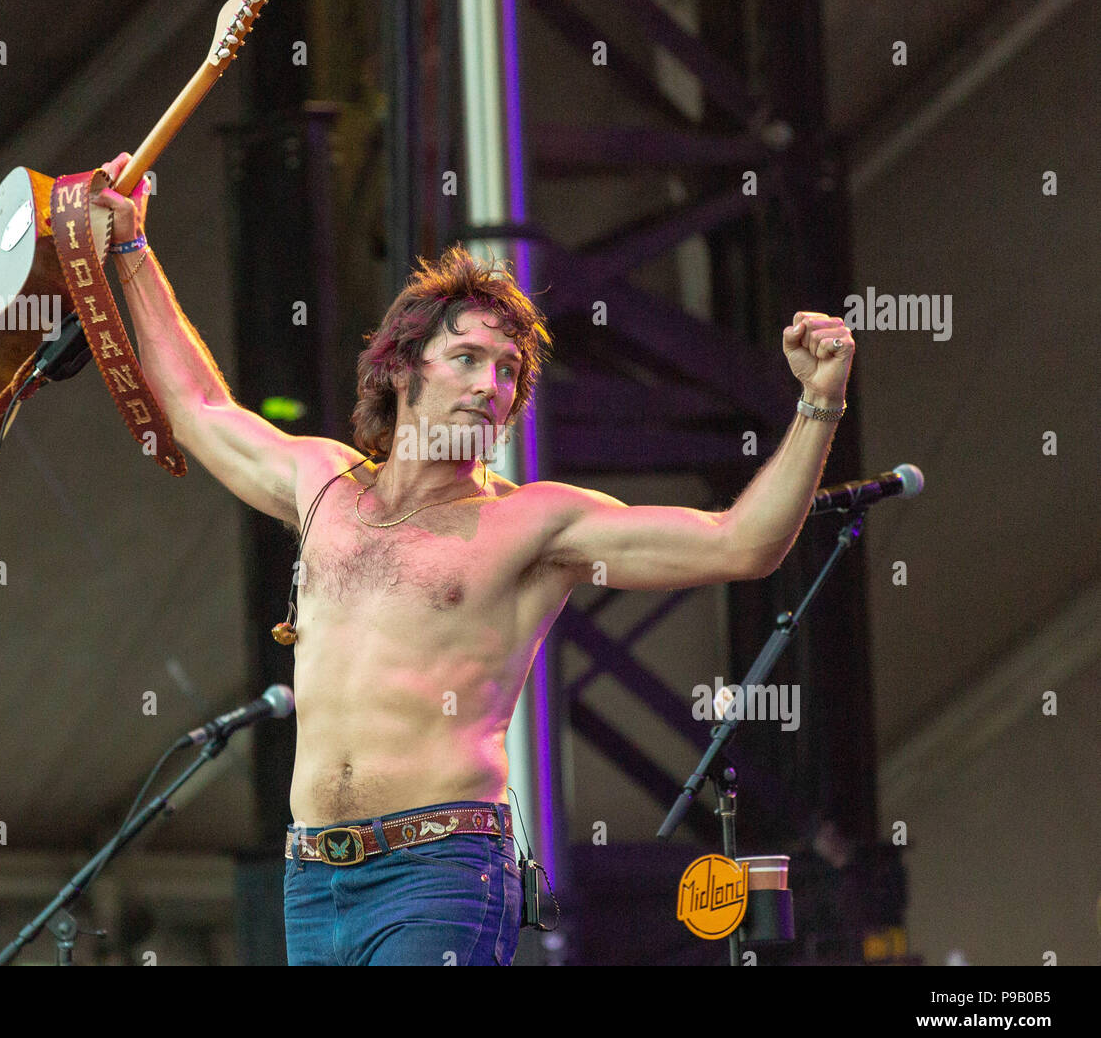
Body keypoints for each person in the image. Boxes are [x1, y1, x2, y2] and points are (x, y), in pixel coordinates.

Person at [92, 152, 856, 965]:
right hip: (310, 877)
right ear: (400, 367)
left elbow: (741, 542)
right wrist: (132, 247)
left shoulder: (530, 522)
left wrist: (820, 402)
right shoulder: (320, 483)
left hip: (442, 869)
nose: (491, 384)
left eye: (509, 372)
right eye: (467, 359)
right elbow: (197, 406)